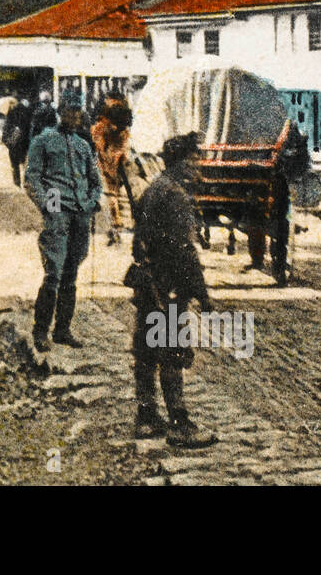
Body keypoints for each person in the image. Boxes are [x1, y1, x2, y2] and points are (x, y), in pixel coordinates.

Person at [126, 131, 218, 448]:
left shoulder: (154, 189)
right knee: (172, 353)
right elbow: (184, 251)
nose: (198, 165)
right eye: (193, 159)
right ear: (179, 161)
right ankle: (179, 424)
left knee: (147, 352)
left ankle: (147, 416)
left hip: (148, 283)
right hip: (168, 288)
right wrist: (202, 295)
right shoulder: (175, 195)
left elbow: (138, 241)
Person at [24, 102, 100, 352]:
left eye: (78, 113)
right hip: (58, 210)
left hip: (80, 214)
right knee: (54, 272)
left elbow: (94, 180)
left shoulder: (83, 145)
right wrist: (50, 207)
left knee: (72, 272)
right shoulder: (44, 140)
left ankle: (62, 330)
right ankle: (40, 331)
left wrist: (90, 203)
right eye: (70, 112)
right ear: (60, 113)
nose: (75, 117)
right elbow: (33, 178)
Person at [91, 94, 133, 245]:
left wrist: (118, 157)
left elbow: (121, 149)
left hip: (112, 167)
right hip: (103, 166)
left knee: (113, 196)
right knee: (109, 197)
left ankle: (115, 228)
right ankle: (114, 228)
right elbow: (98, 147)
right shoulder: (99, 128)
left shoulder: (121, 131)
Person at [3, 96, 33, 187]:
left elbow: (6, 128)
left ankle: (17, 182)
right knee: (25, 163)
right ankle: (26, 181)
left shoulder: (10, 114)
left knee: (15, 164)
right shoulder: (27, 112)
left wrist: (6, 141)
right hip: (24, 143)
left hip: (14, 144)